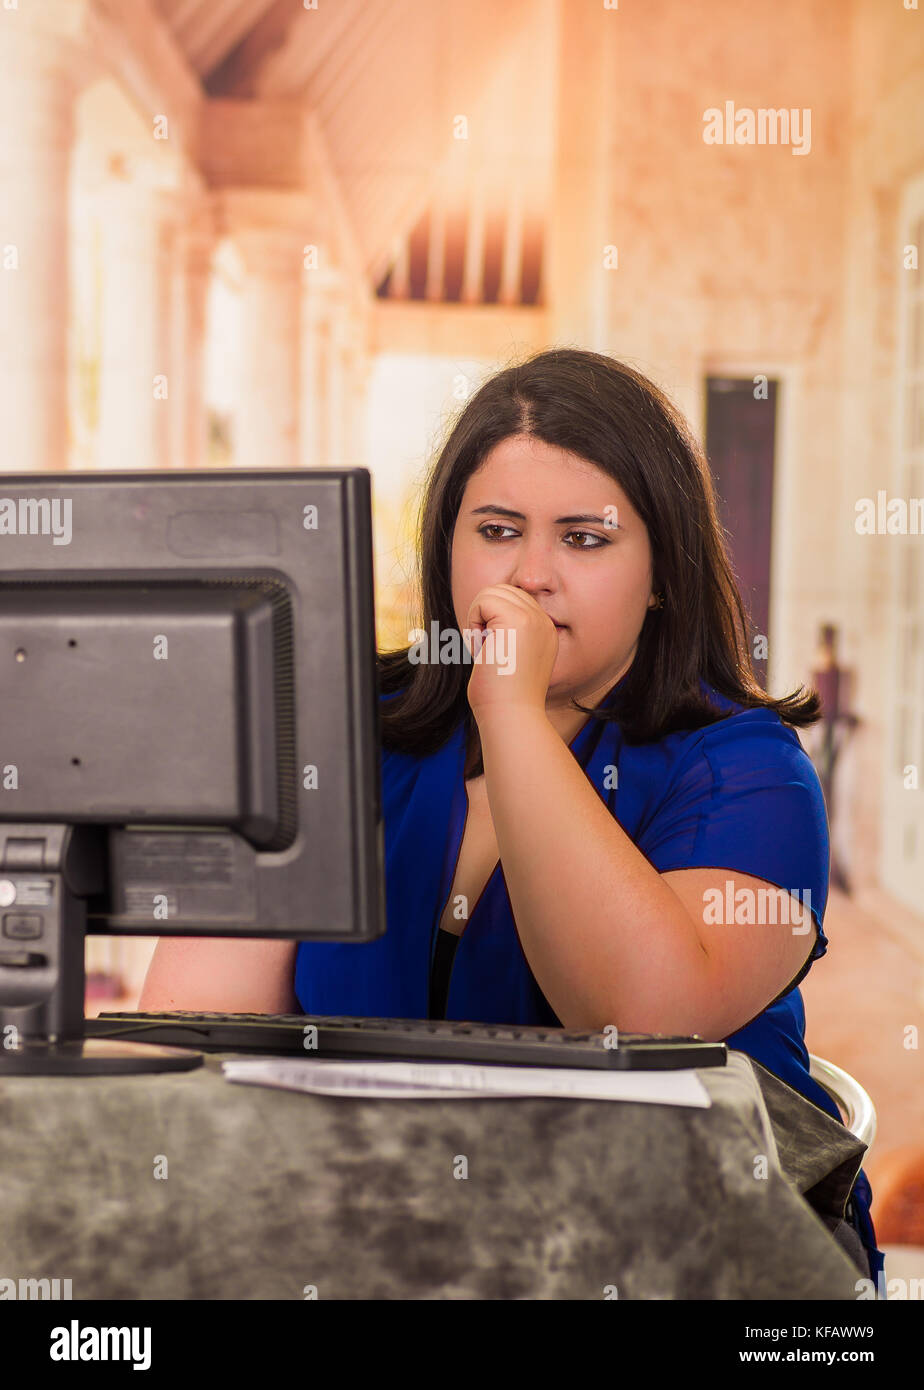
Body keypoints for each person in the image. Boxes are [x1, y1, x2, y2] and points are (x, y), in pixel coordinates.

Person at [141, 347, 884, 1287]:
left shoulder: (753, 775)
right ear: (447, 549)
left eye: (585, 539)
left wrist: (509, 709)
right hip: (389, 1246)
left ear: (662, 570)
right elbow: (191, 1043)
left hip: (687, 1258)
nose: (532, 575)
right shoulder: (336, 733)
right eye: (497, 531)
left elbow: (639, 1023)